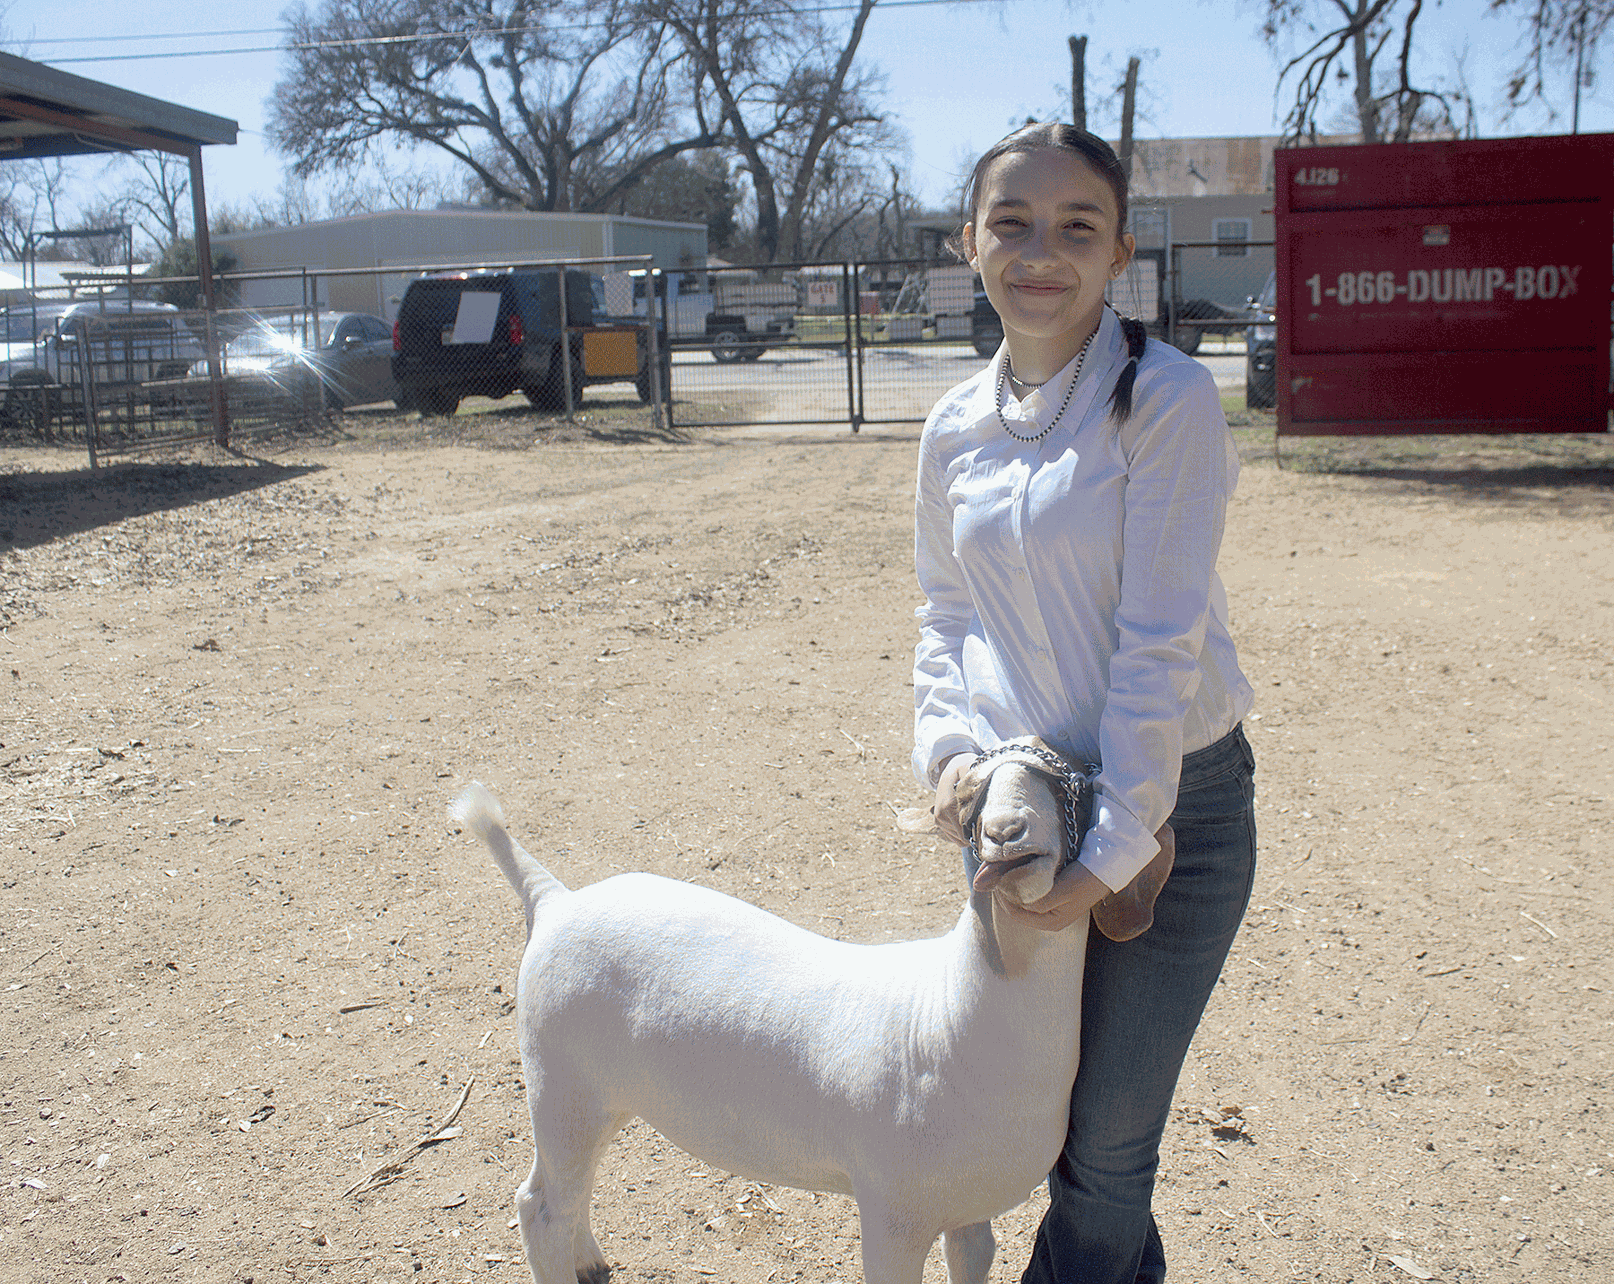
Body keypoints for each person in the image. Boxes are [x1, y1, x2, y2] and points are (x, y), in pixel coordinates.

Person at [911, 122, 1258, 1284]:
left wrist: (1112, 855)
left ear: (1118, 255)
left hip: (1174, 818)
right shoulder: (953, 424)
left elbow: (1160, 646)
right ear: (970, 243)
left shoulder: (1162, 400)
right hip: (1020, 804)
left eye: (1077, 227)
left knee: (1107, 1147)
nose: (1040, 252)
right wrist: (947, 755)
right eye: (1011, 223)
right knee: (1031, 1115)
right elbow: (946, 616)